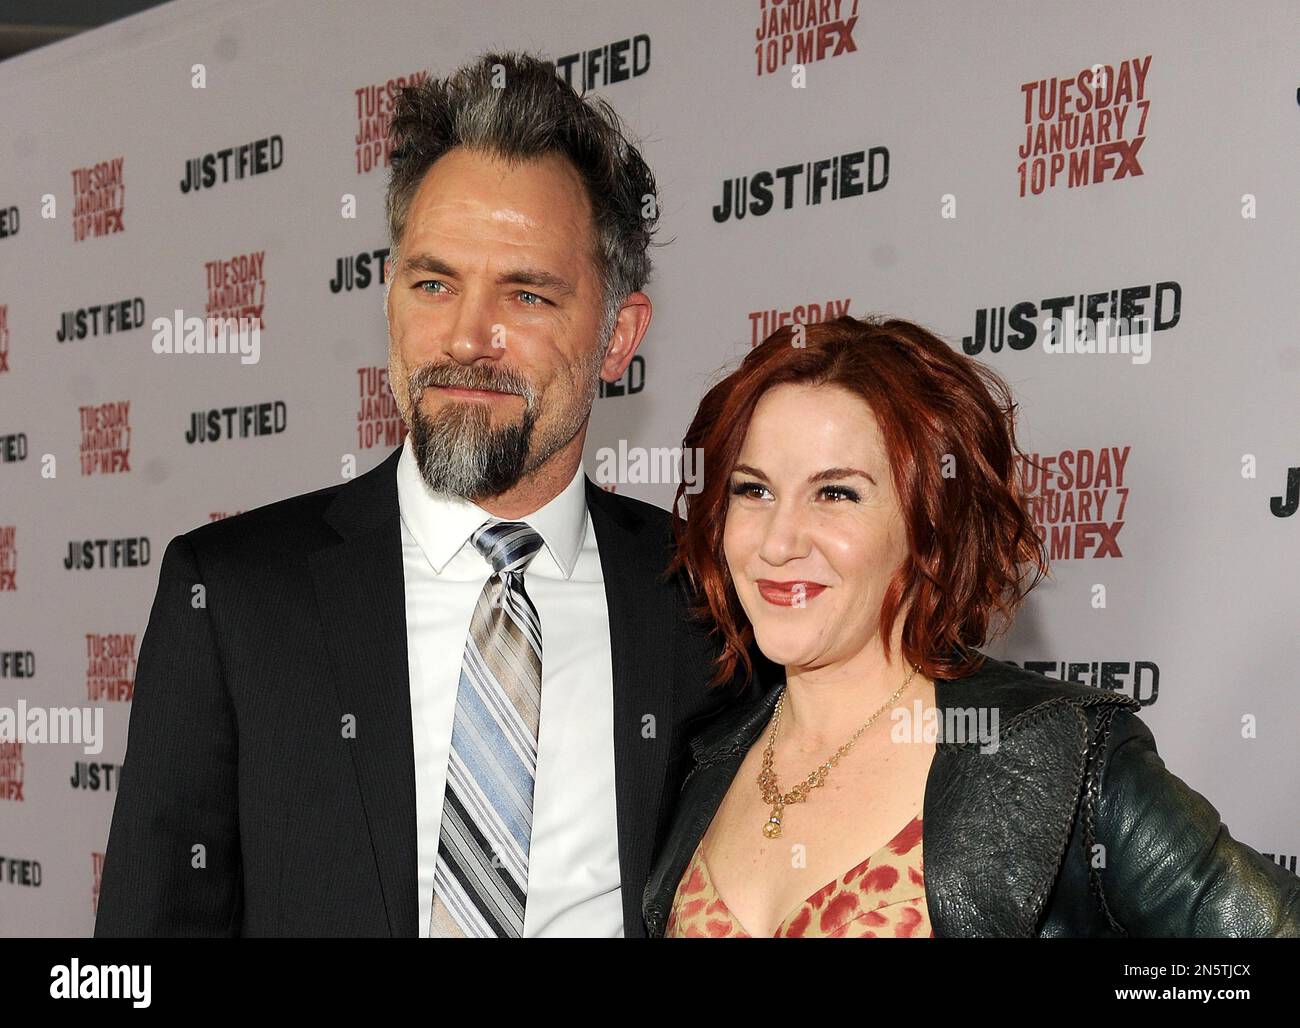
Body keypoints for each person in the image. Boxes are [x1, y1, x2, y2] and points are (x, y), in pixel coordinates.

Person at [95, 51, 731, 938]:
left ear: (618, 336)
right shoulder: (234, 597)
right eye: (434, 283)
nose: (468, 338)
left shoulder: (705, 600)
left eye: (528, 294)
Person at [642, 315, 1300, 938]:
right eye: (751, 490)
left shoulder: (1058, 755)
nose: (778, 542)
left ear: (930, 523)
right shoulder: (708, 756)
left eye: (836, 493)